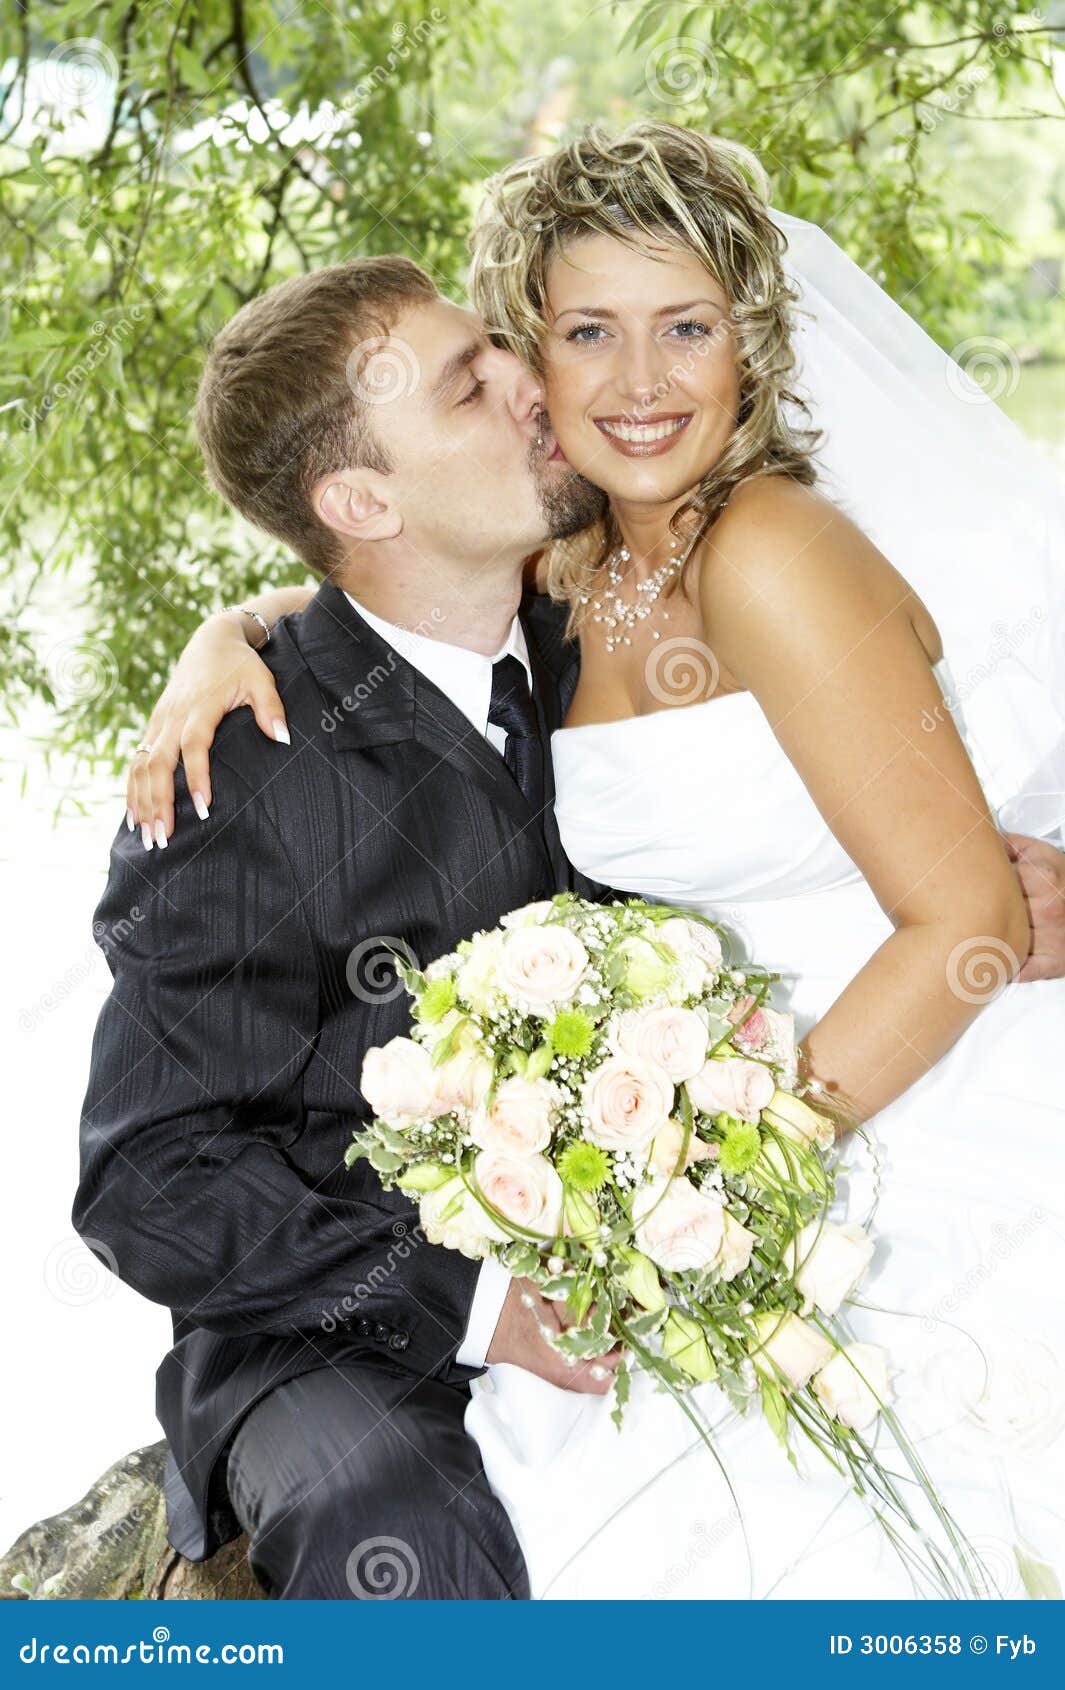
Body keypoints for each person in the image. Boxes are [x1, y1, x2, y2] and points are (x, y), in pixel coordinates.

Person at [115, 123, 1065, 1597]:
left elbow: (941, 901)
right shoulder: (553, 590)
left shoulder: (717, 560)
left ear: (744, 338)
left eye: (686, 328)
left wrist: (710, 1181)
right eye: (567, 342)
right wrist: (227, 637)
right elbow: (151, 1174)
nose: (619, 388)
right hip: (486, 1236)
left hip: (831, 1110)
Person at [74, 255, 617, 1600]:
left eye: (495, 349)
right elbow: (149, 1176)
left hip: (627, 1225)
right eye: (466, 386)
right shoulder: (231, 773)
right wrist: (475, 1304)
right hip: (322, 1335)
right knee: (397, 1526)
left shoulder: (602, 637)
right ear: (362, 499)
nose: (525, 383)